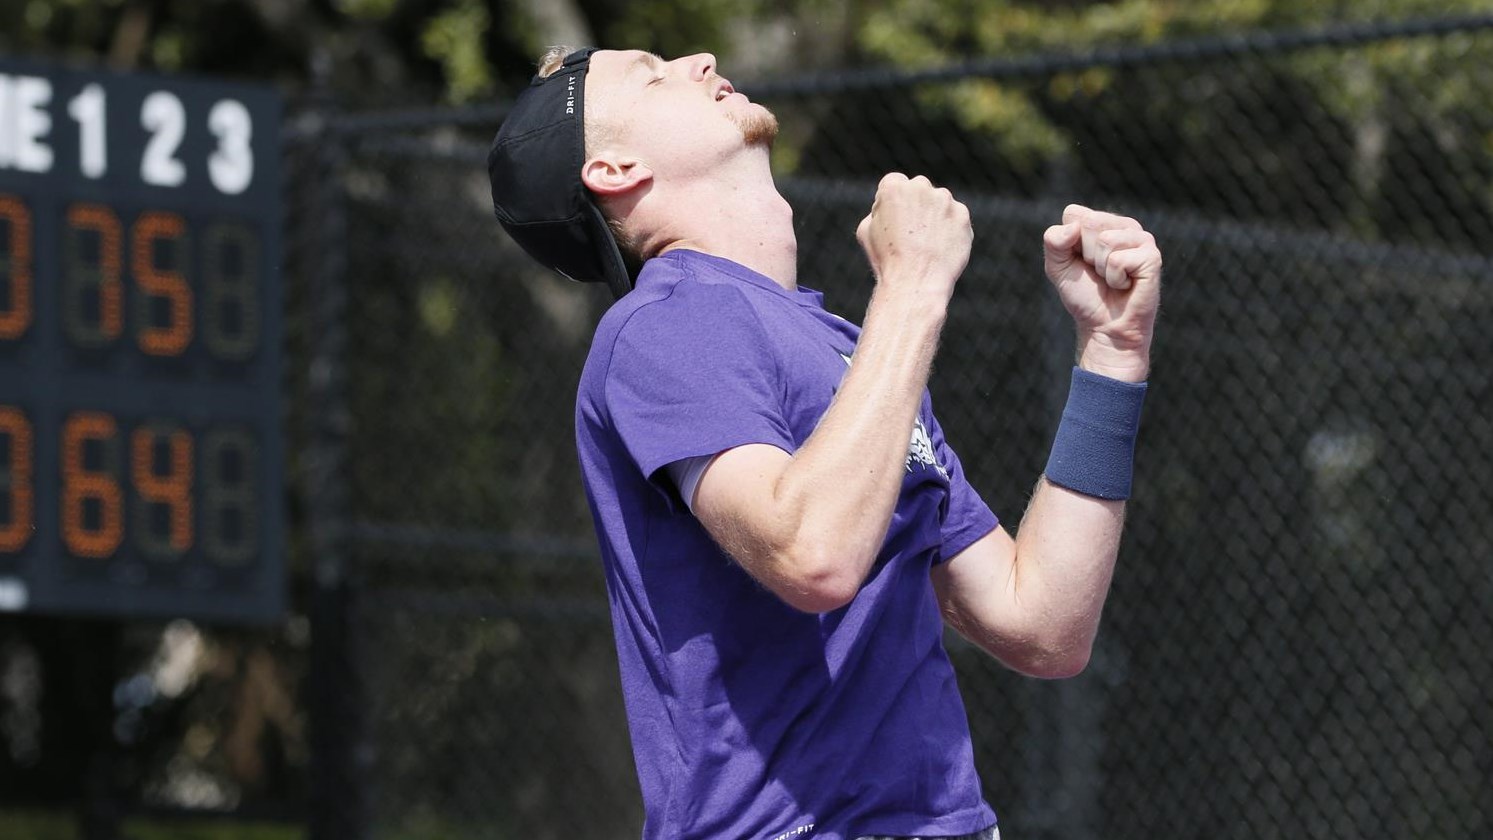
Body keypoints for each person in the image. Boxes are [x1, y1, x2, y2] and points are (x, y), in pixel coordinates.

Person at [487, 46, 1161, 840]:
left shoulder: (854, 351)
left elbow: (1041, 626)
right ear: (612, 168)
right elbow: (811, 554)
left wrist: (1112, 355)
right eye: (650, 71)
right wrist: (911, 286)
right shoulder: (662, 326)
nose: (698, 57)